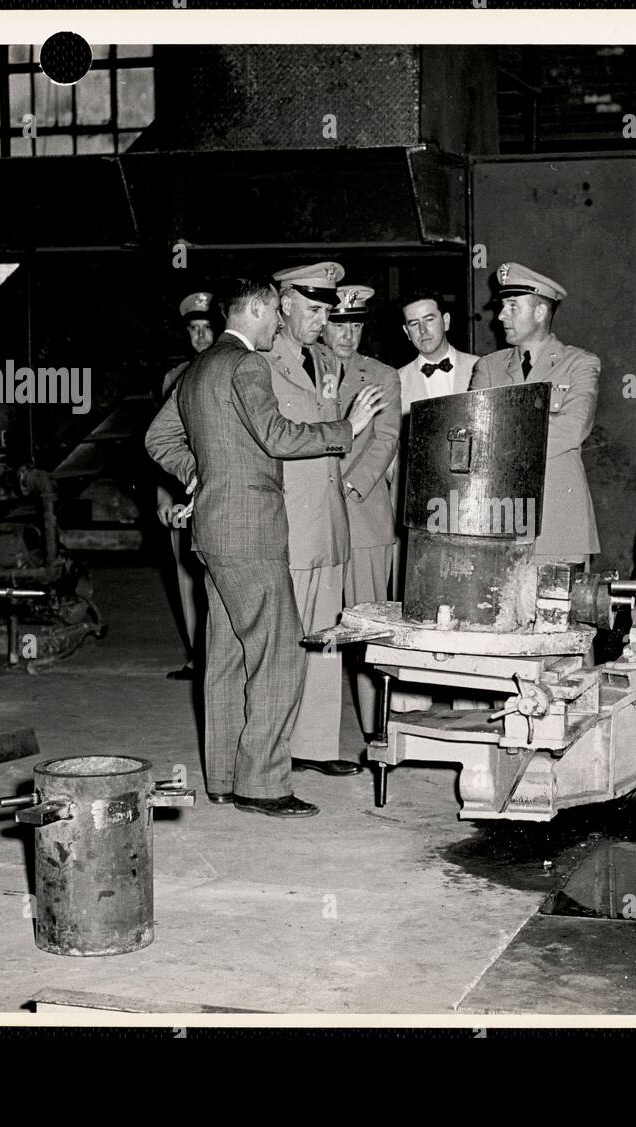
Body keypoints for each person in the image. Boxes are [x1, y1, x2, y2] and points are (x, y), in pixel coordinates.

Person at [144, 276, 384, 818]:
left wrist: (202, 476)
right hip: (251, 532)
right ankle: (263, 785)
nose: (280, 323)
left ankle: (224, 779)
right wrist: (347, 427)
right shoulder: (247, 364)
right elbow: (276, 436)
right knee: (279, 656)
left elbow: (158, 439)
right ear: (255, 308)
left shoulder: (198, 368)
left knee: (226, 658)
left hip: (213, 532)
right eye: (277, 312)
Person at [266, 262, 361, 776]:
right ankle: (275, 750)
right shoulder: (260, 359)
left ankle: (316, 747)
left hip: (327, 517)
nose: (323, 320)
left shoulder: (325, 359)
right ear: (283, 304)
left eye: (327, 310)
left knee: (326, 636)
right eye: (314, 308)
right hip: (287, 516)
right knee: (285, 638)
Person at [469, 262, 601, 566]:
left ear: (540, 312)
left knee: (556, 612)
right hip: (497, 521)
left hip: (558, 523)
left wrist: (499, 435)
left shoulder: (580, 364)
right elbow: (475, 429)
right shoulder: (489, 367)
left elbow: (573, 427)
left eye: (512, 307)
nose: (501, 315)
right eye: (503, 306)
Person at [323, 285, 402, 737]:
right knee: (317, 628)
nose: (348, 334)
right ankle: (316, 736)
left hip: (363, 513)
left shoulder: (382, 375)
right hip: (312, 517)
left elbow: (386, 439)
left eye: (355, 324)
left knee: (370, 629)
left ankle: (378, 728)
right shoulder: (300, 370)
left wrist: (350, 485)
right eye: (338, 323)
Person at [156, 291, 216, 681]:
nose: (199, 337)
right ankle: (197, 655)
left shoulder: (237, 370)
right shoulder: (174, 378)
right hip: (183, 492)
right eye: (193, 330)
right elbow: (163, 442)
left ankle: (218, 658)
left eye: (206, 328)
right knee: (186, 576)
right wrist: (162, 495)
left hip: (219, 490)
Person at [397, 290, 477, 413]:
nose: (422, 330)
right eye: (414, 324)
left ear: (446, 321)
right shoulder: (397, 382)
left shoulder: (479, 367)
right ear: (407, 332)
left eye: (429, 320)